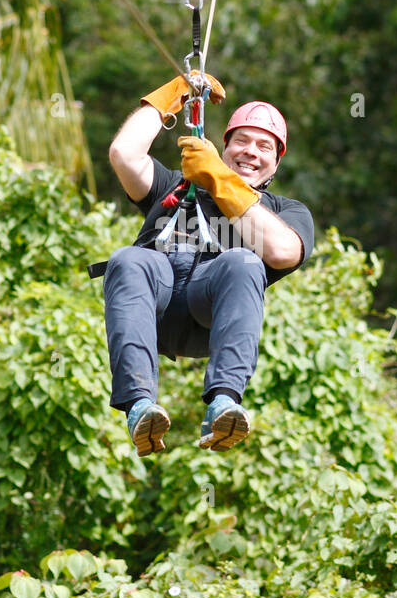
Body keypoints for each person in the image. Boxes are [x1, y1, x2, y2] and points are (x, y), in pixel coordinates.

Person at [90, 73, 314, 453]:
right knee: (127, 259)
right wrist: (172, 95)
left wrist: (221, 181)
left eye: (264, 147)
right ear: (223, 146)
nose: (250, 151)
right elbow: (123, 155)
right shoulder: (174, 186)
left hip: (208, 314)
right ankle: (139, 406)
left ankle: (224, 404)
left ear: (275, 166)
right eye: (241, 140)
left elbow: (282, 251)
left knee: (244, 262)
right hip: (153, 306)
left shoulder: (282, 211)